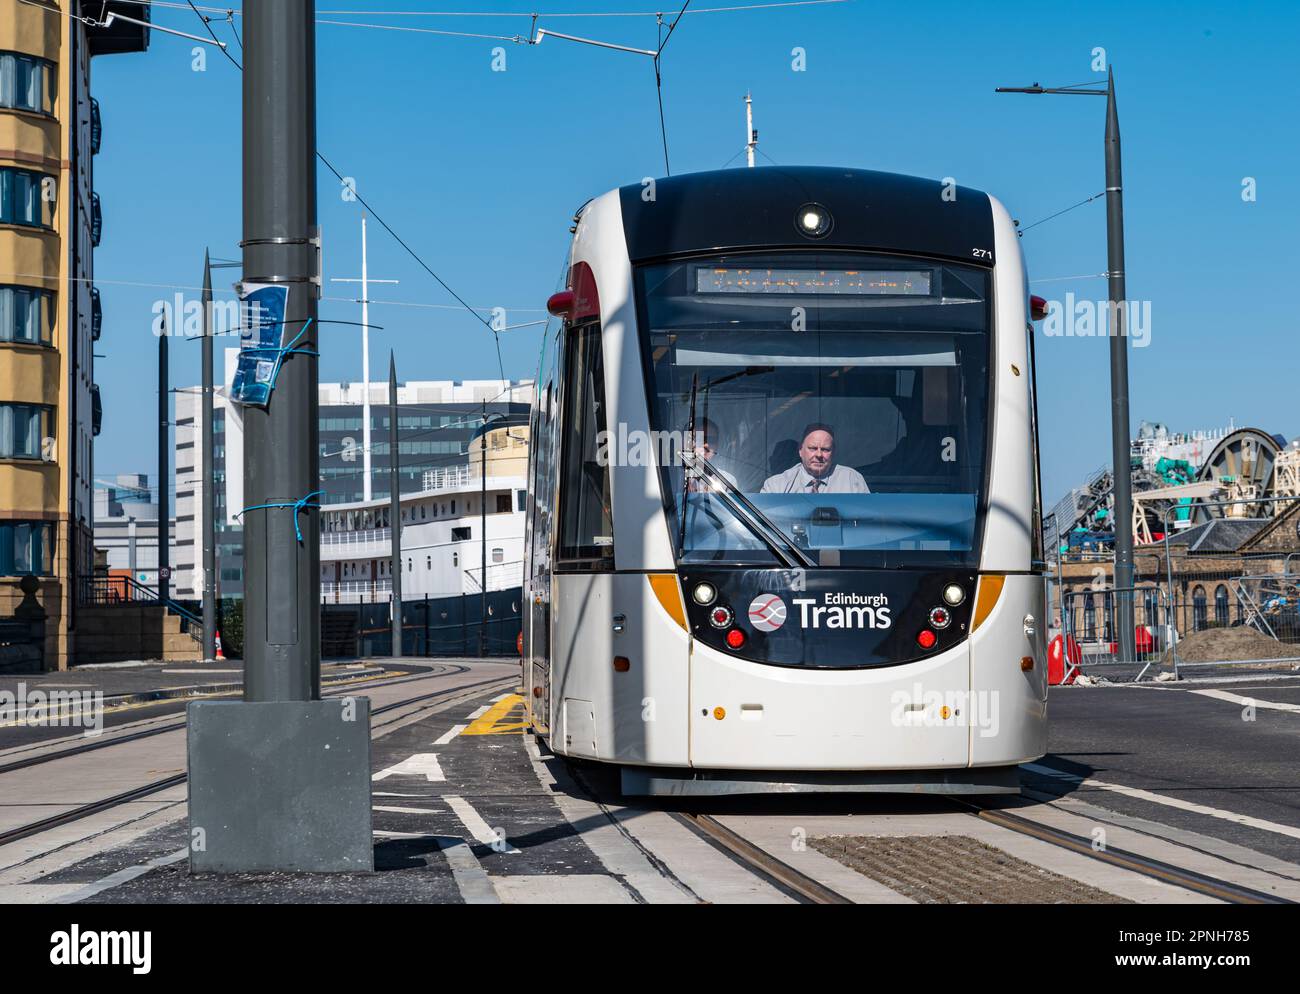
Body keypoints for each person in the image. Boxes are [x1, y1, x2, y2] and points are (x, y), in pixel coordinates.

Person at [761, 423, 869, 494]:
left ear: (834, 452)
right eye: (812, 448)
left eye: (825, 449)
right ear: (800, 450)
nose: (819, 455)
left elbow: (867, 522)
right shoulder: (776, 486)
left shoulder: (852, 480)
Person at [685, 417, 737, 491]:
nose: (706, 445)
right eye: (700, 439)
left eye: (711, 440)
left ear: (717, 445)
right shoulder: (674, 478)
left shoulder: (727, 481)